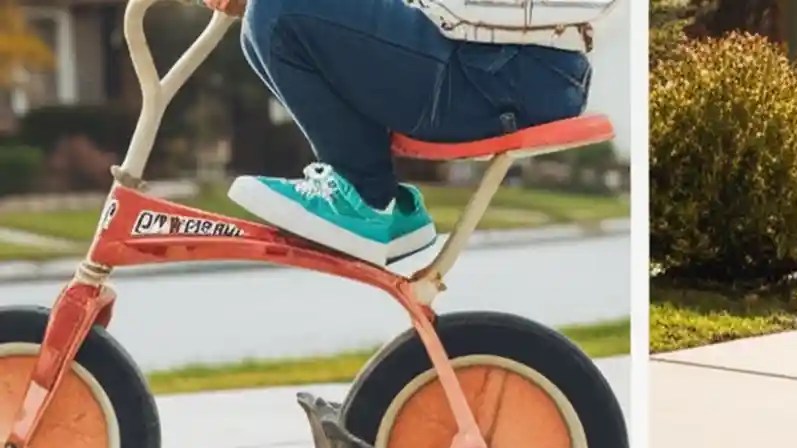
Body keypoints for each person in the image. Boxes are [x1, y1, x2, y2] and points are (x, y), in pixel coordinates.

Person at [203, 0, 601, 266]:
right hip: (517, 66)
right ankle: (384, 206)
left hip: (508, 69)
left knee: (275, 12)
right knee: (260, 28)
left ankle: (362, 194)